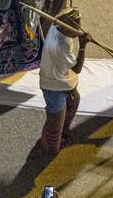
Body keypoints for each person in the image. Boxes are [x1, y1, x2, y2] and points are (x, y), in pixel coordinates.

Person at [37, 10, 87, 155]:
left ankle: (62, 134)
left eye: (79, 26)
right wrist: (83, 45)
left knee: (73, 103)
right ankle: (51, 147)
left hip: (63, 79)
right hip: (54, 85)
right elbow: (77, 68)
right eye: (74, 29)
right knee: (55, 122)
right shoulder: (59, 45)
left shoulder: (56, 24)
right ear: (64, 27)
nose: (77, 32)